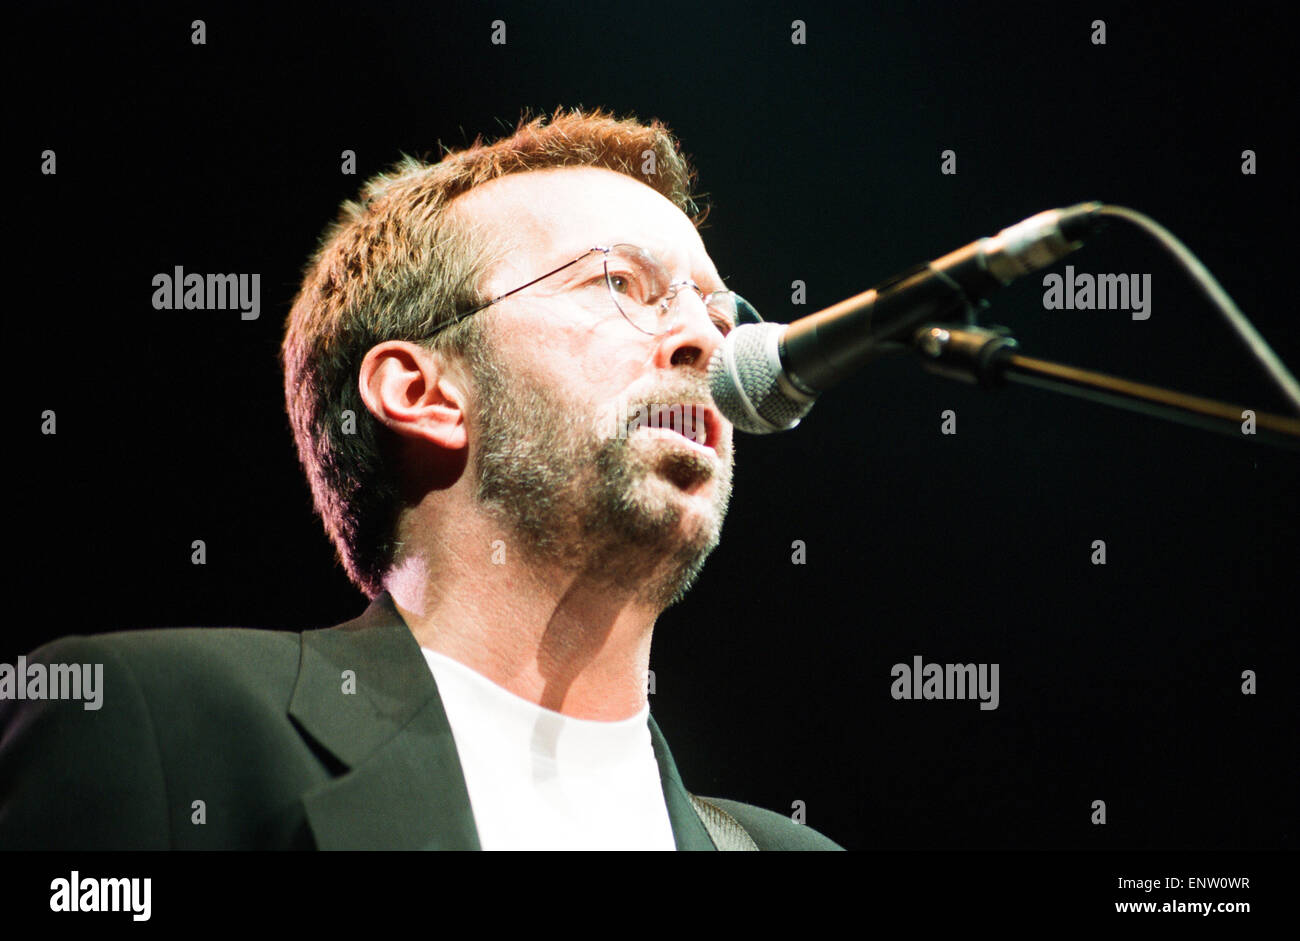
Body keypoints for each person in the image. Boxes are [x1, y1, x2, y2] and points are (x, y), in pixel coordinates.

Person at [0, 109, 842, 851]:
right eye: (621, 284)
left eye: (718, 311)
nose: (708, 342)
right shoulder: (156, 729)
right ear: (422, 392)